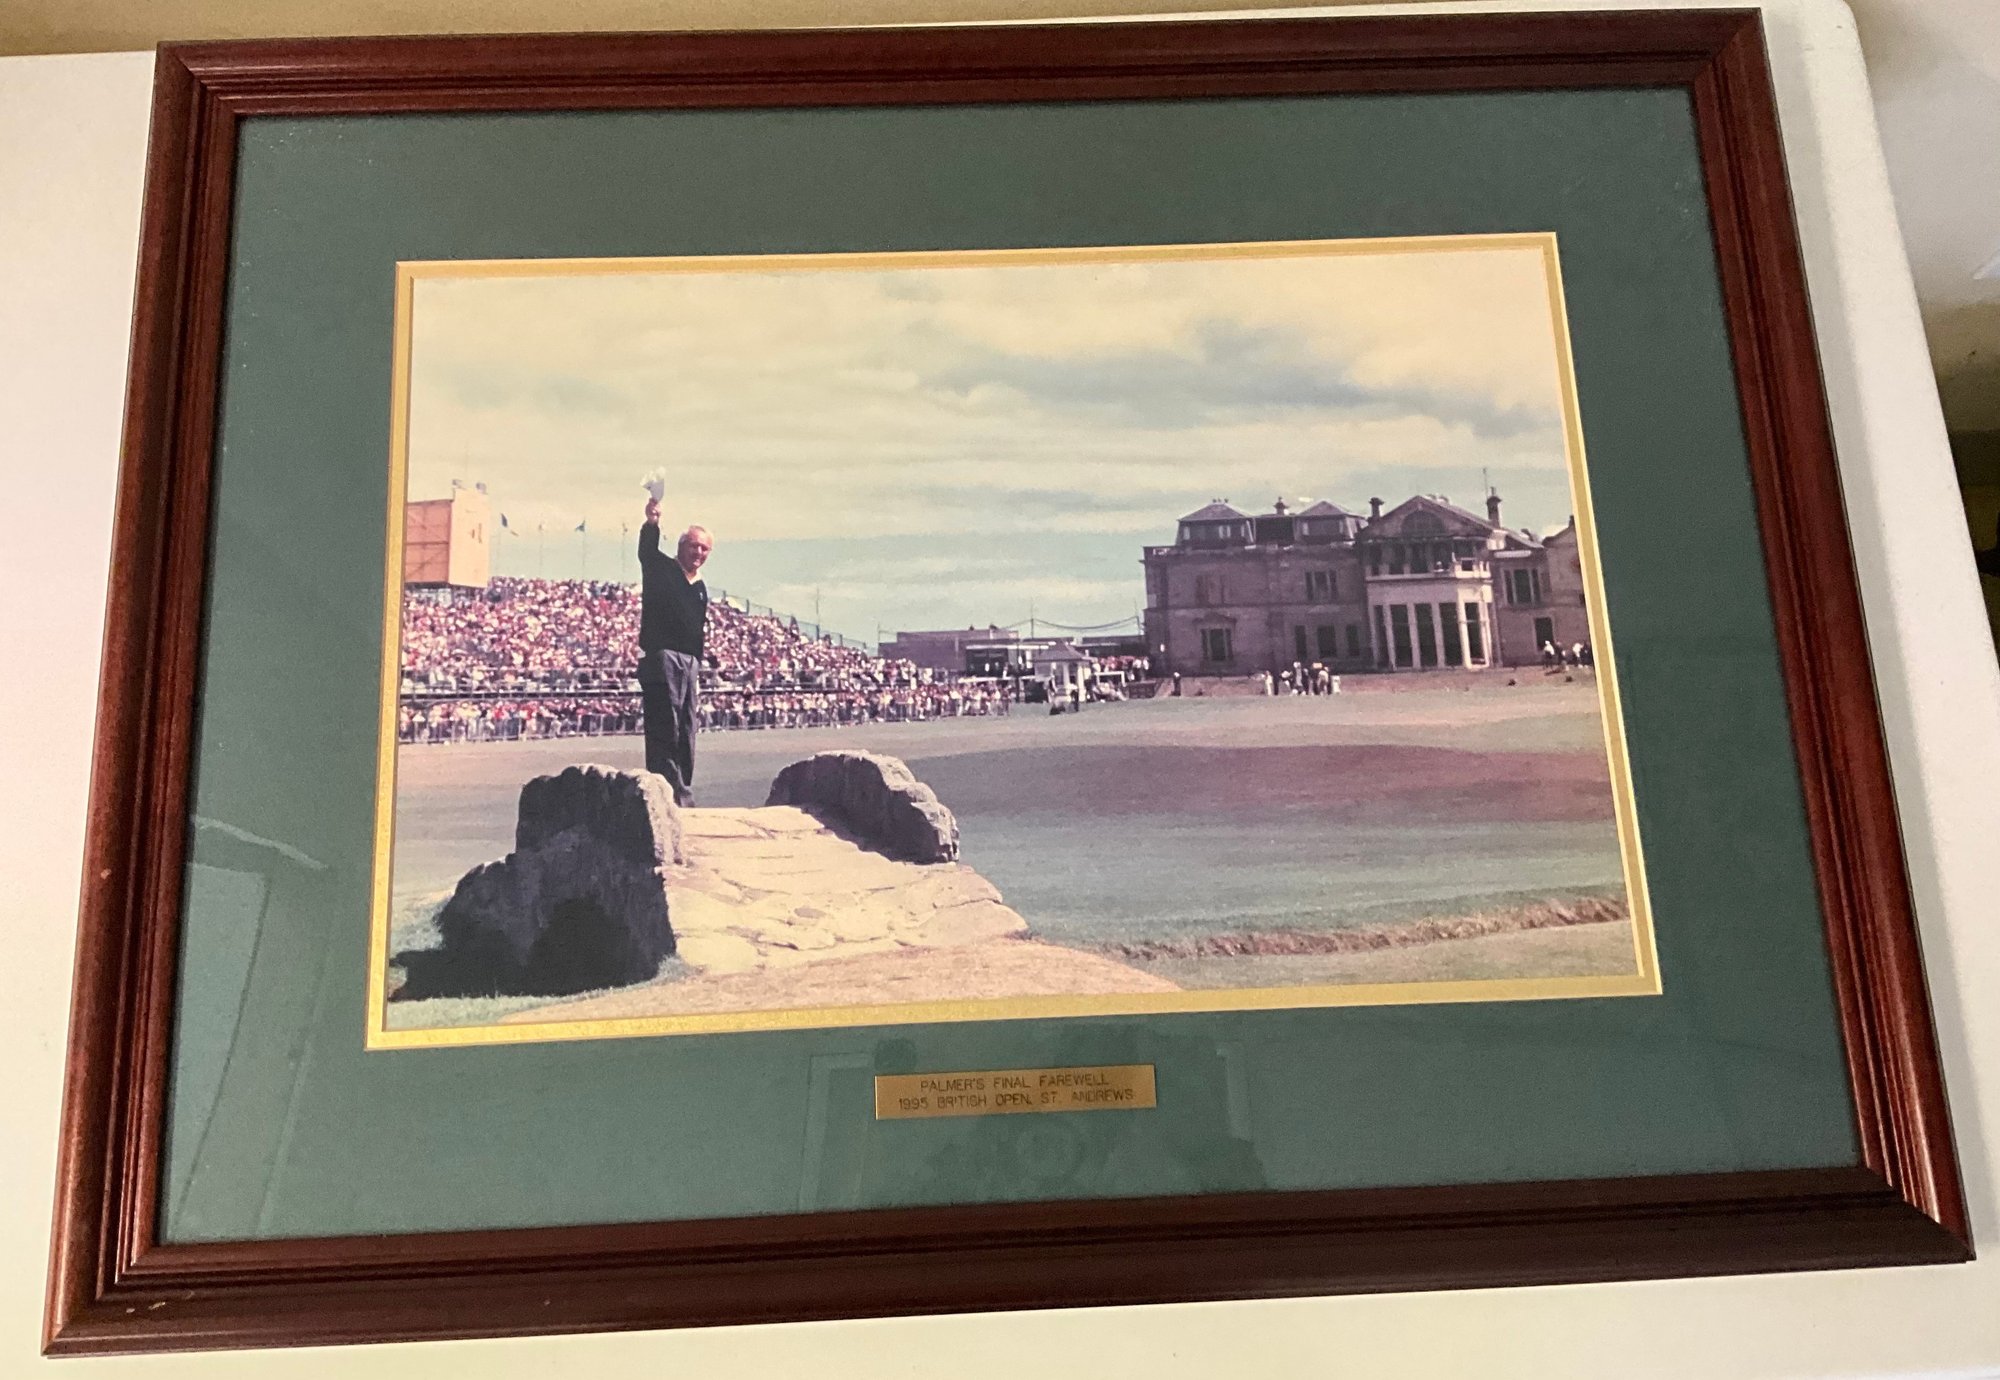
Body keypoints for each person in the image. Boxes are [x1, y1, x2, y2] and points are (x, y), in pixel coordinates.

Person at [636, 493, 712, 805]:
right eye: (694, 545)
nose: (698, 552)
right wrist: (652, 521)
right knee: (664, 724)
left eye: (705, 548)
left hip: (690, 662)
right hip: (662, 656)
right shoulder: (661, 569)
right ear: (681, 546)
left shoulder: (701, 587)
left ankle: (683, 788)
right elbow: (646, 551)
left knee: (687, 726)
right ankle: (667, 790)